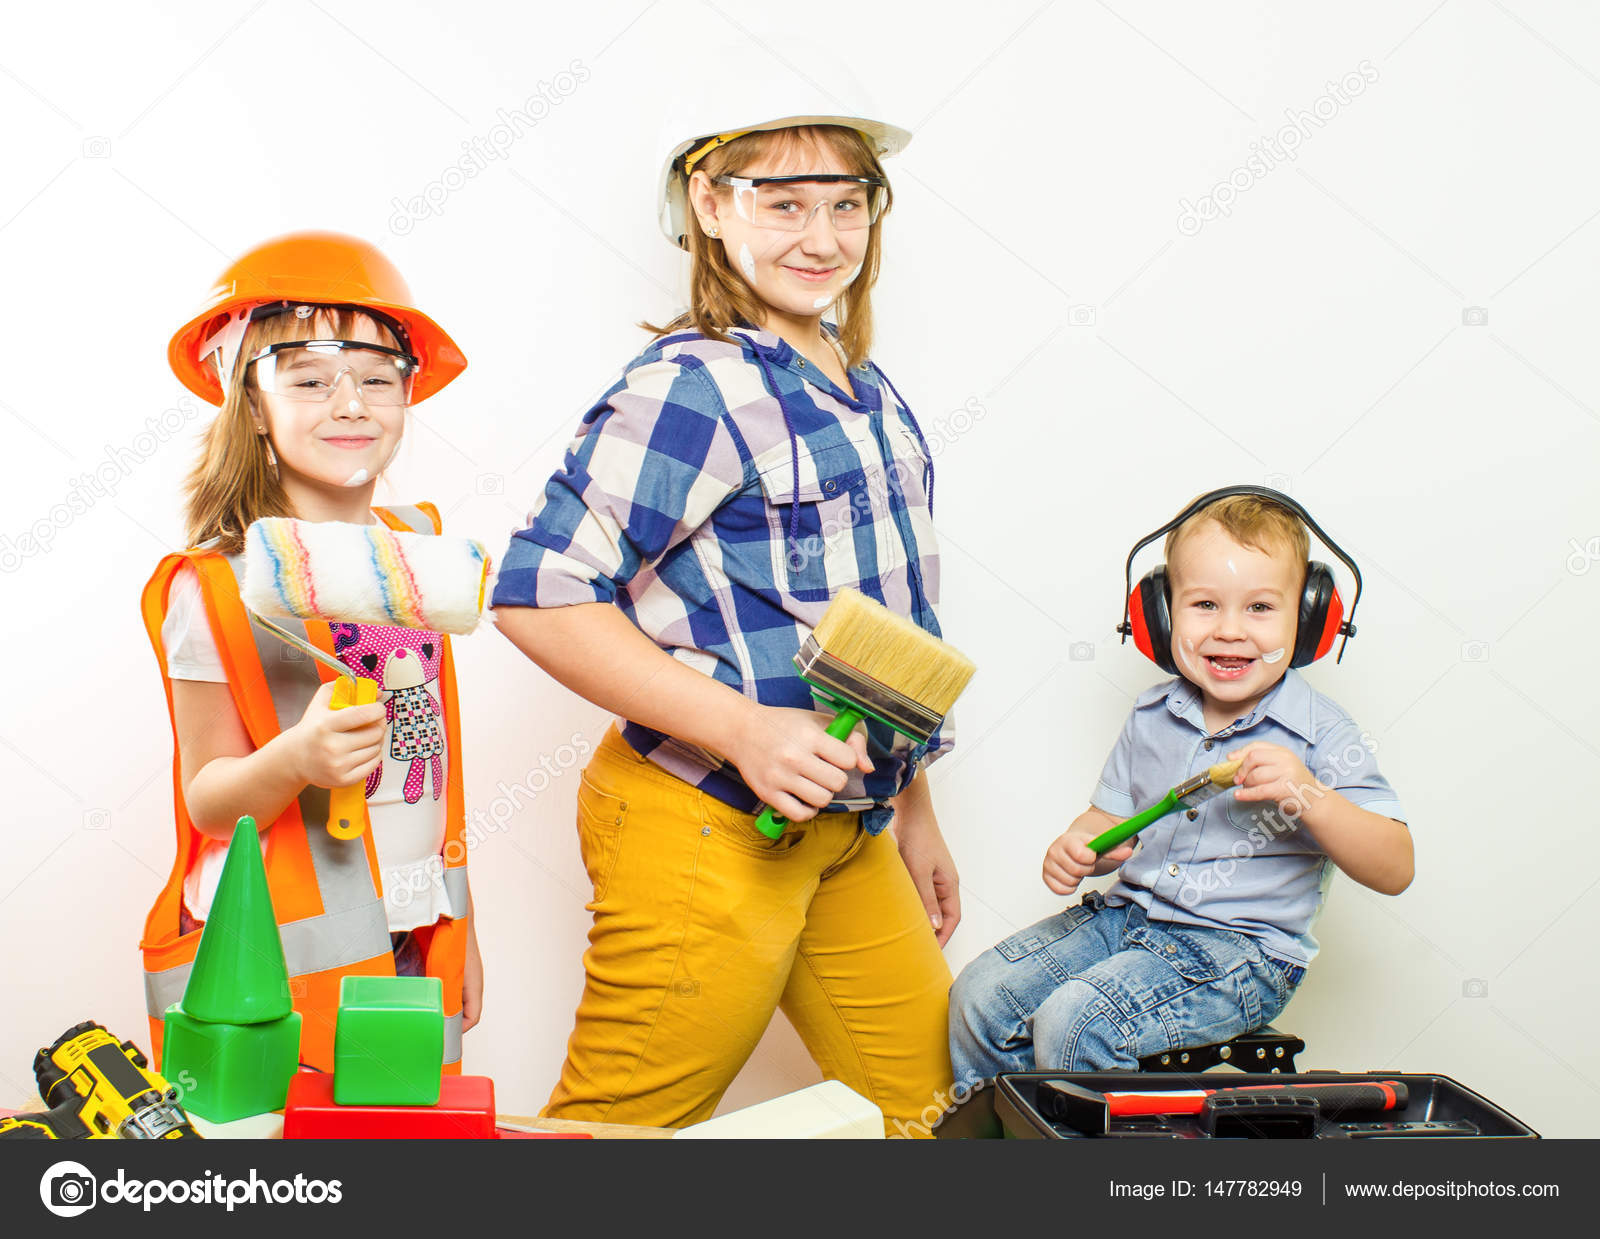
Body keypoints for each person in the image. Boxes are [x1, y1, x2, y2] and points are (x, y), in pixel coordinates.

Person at [493, 102, 961, 1133]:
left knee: (939, 1119)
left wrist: (913, 808)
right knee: (616, 1139)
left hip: (846, 827)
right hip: (702, 820)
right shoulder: (695, 386)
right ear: (709, 206)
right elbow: (538, 592)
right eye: (782, 203)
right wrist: (744, 728)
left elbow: (886, 626)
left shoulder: (862, 385)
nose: (822, 238)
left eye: (848, 204)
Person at [140, 231, 482, 1071]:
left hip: (411, 935)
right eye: (309, 380)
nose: (352, 403)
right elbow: (208, 803)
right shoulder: (216, 587)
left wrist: (461, 930)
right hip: (273, 961)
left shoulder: (413, 555)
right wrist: (298, 756)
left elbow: (427, 777)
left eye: (376, 377)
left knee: (406, 1158)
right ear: (250, 403)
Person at [950, 488, 1411, 1077]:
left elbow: (1395, 866)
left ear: (1311, 619)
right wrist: (1081, 845)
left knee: (1078, 1023)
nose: (1230, 631)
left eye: (1261, 608)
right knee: (981, 997)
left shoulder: (1323, 735)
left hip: (1237, 954)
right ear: (1161, 616)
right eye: (1204, 605)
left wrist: (1309, 794)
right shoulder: (1150, 716)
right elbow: (1106, 819)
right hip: (1124, 920)